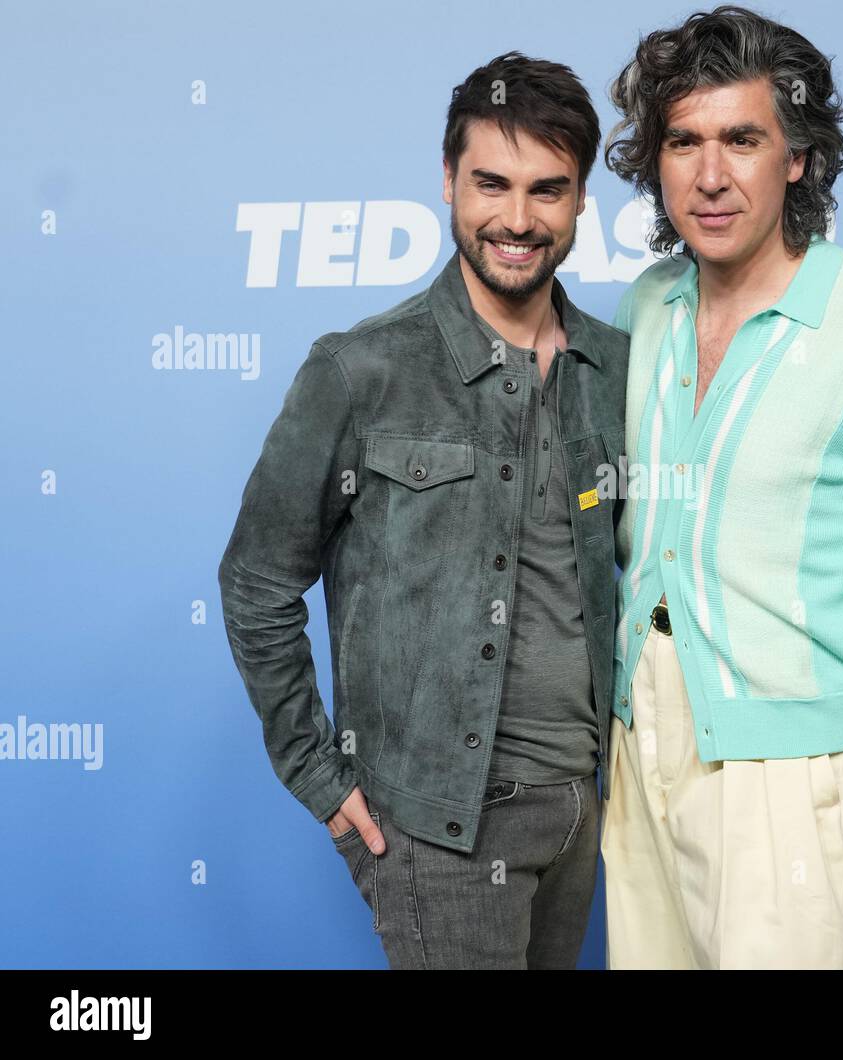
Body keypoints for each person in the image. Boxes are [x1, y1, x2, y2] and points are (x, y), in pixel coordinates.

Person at [217, 51, 628, 969]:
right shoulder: (360, 371)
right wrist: (321, 780)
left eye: (547, 190)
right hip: (442, 826)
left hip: (591, 814)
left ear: (580, 202)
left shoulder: (620, 370)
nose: (517, 220)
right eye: (491, 183)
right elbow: (254, 583)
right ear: (447, 183)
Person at [599, 5, 843, 969]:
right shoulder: (644, 307)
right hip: (635, 741)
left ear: (799, 158)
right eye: (682, 141)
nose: (710, 173)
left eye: (743, 138)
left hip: (786, 767)